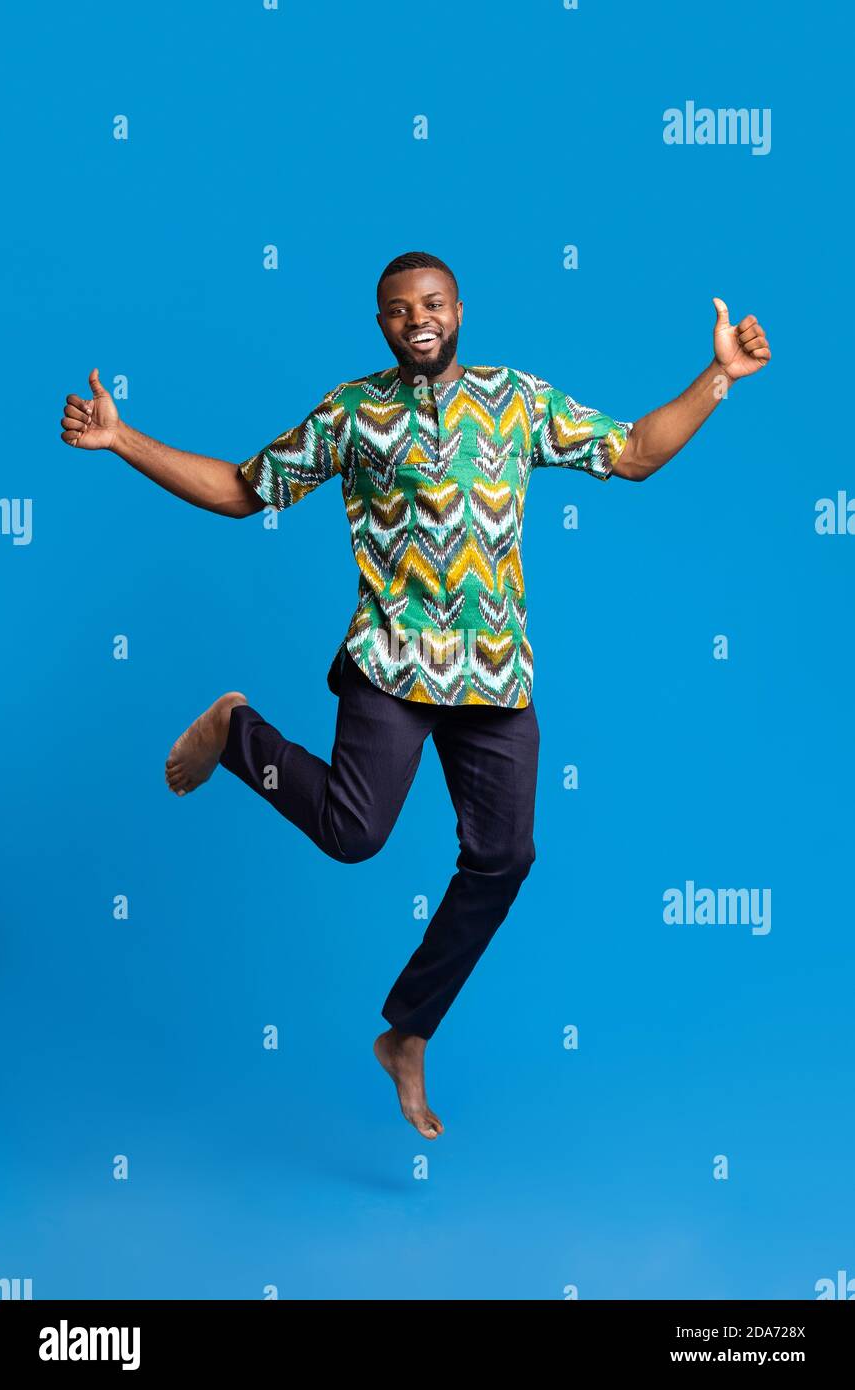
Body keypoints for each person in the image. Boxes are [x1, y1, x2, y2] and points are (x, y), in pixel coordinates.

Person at [59, 250, 771, 1138]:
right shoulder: (352, 413)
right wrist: (122, 439)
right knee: (355, 835)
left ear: (460, 310)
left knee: (506, 859)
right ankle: (237, 732)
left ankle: (408, 1032)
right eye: (399, 310)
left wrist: (718, 376)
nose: (418, 319)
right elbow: (245, 490)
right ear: (383, 325)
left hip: (495, 675)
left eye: (432, 303)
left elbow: (629, 453)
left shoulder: (514, 400)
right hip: (392, 663)